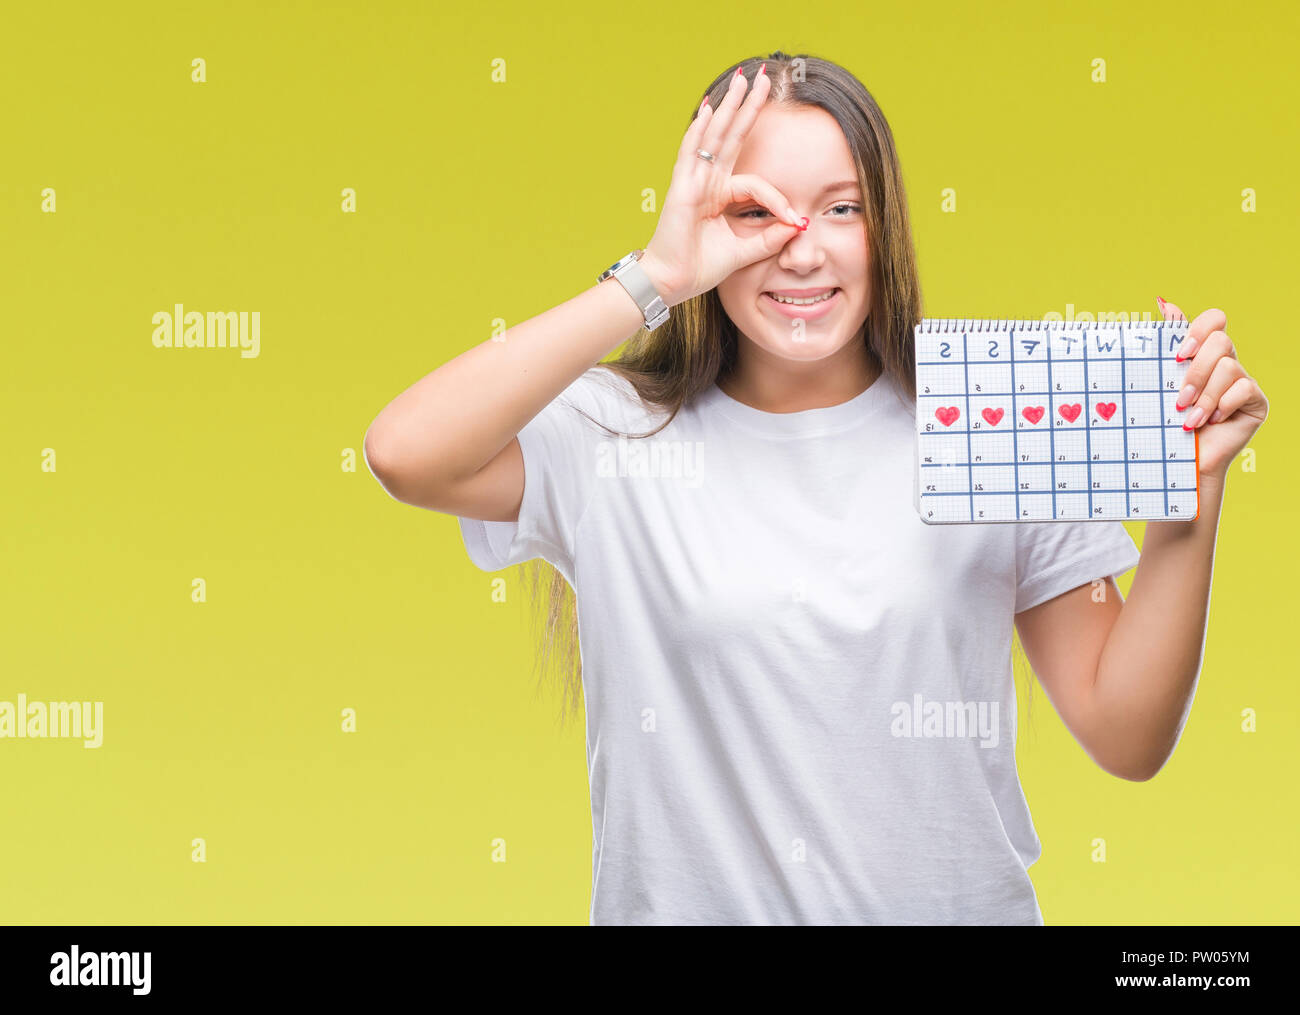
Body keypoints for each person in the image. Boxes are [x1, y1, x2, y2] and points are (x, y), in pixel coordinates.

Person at [363, 51, 1268, 925]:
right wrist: (656, 278)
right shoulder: (615, 432)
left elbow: (1128, 733)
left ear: (887, 229)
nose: (802, 251)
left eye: (843, 207)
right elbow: (405, 452)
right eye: (756, 212)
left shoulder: (993, 411)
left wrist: (1191, 500)